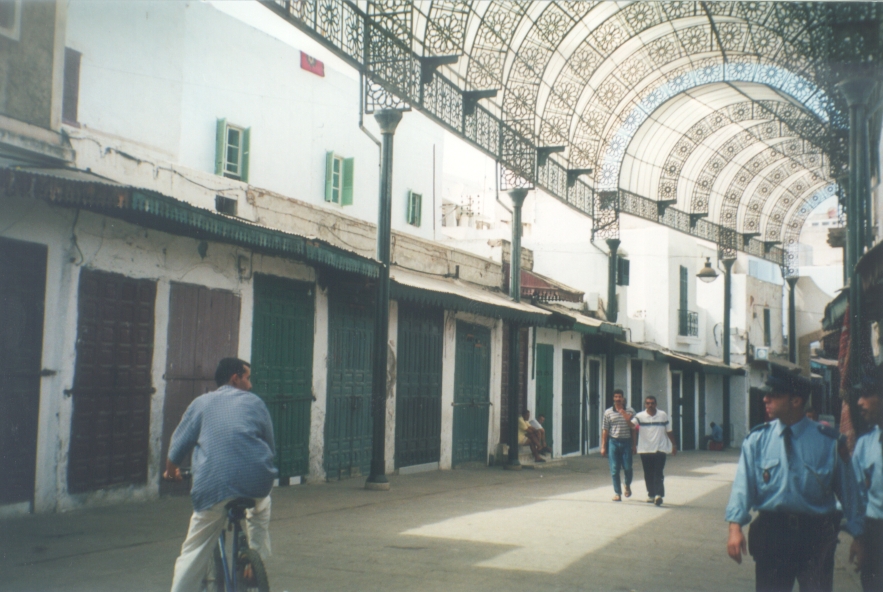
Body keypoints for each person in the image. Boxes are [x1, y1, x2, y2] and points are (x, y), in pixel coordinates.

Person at [725, 365, 864, 592]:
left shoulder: (829, 442)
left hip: (815, 537)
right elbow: (742, 488)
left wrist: (860, 537)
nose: (765, 399)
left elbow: (850, 493)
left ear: (796, 401)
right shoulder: (757, 440)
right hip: (772, 534)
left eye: (774, 395)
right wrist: (734, 529)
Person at [165, 358, 278, 592]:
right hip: (256, 482)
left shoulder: (201, 403)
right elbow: (270, 446)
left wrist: (171, 471)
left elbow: (177, 448)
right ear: (234, 378)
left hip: (214, 486)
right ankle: (254, 559)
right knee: (261, 508)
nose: (250, 384)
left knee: (194, 549)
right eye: (247, 378)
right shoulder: (256, 403)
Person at [852, 385, 883, 591]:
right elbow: (855, 496)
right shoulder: (865, 444)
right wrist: (858, 538)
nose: (859, 402)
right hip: (874, 535)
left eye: (866, 395)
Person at [632, 395, 677, 506]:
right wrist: (625, 416)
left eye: (652, 403)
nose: (650, 405)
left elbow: (669, 431)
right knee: (648, 473)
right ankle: (651, 494)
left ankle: (658, 495)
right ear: (645, 405)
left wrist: (674, 445)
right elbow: (631, 426)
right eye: (648, 403)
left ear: (656, 404)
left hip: (660, 449)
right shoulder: (640, 416)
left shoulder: (662, 415)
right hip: (645, 449)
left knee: (658, 472)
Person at [601, 389, 636, 501]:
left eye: (619, 397)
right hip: (613, 442)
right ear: (613, 398)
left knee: (628, 467)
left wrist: (634, 445)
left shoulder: (630, 411)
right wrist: (603, 446)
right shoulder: (608, 412)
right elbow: (605, 430)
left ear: (623, 398)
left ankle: (627, 485)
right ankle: (617, 493)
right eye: (615, 397)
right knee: (614, 468)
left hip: (626, 442)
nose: (617, 399)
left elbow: (634, 429)